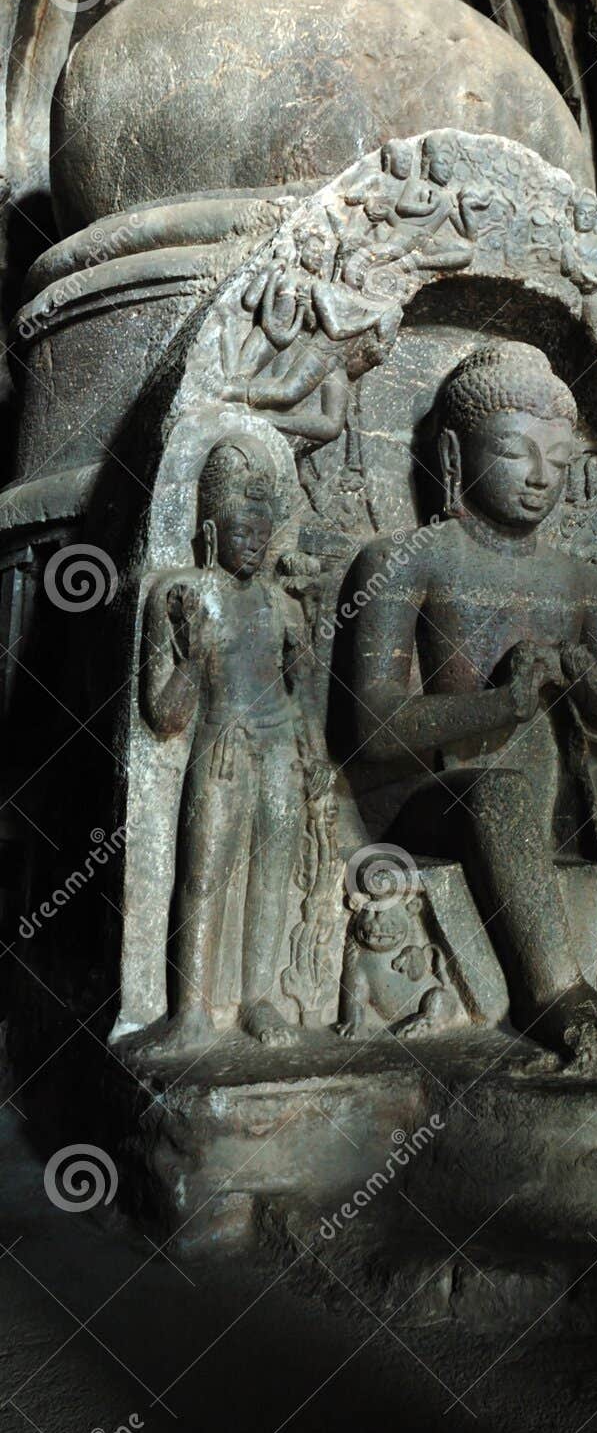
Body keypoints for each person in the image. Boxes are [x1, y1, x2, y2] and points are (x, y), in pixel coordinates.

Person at [345, 343, 597, 1063]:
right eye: (518, 453)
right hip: (454, 793)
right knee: (502, 794)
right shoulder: (407, 561)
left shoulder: (581, 582)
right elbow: (372, 731)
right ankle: (553, 991)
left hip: (574, 792)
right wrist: (502, 704)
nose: (540, 479)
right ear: (457, 455)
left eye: (559, 462)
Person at [141, 436, 327, 1051]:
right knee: (204, 876)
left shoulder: (280, 604)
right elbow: (164, 717)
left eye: (262, 531)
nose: (254, 542)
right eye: (241, 529)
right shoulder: (181, 594)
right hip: (220, 748)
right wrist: (192, 661)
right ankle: (190, 1010)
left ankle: (259, 1000)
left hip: (279, 752)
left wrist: (315, 750)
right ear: (211, 528)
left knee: (271, 876)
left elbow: (302, 694)